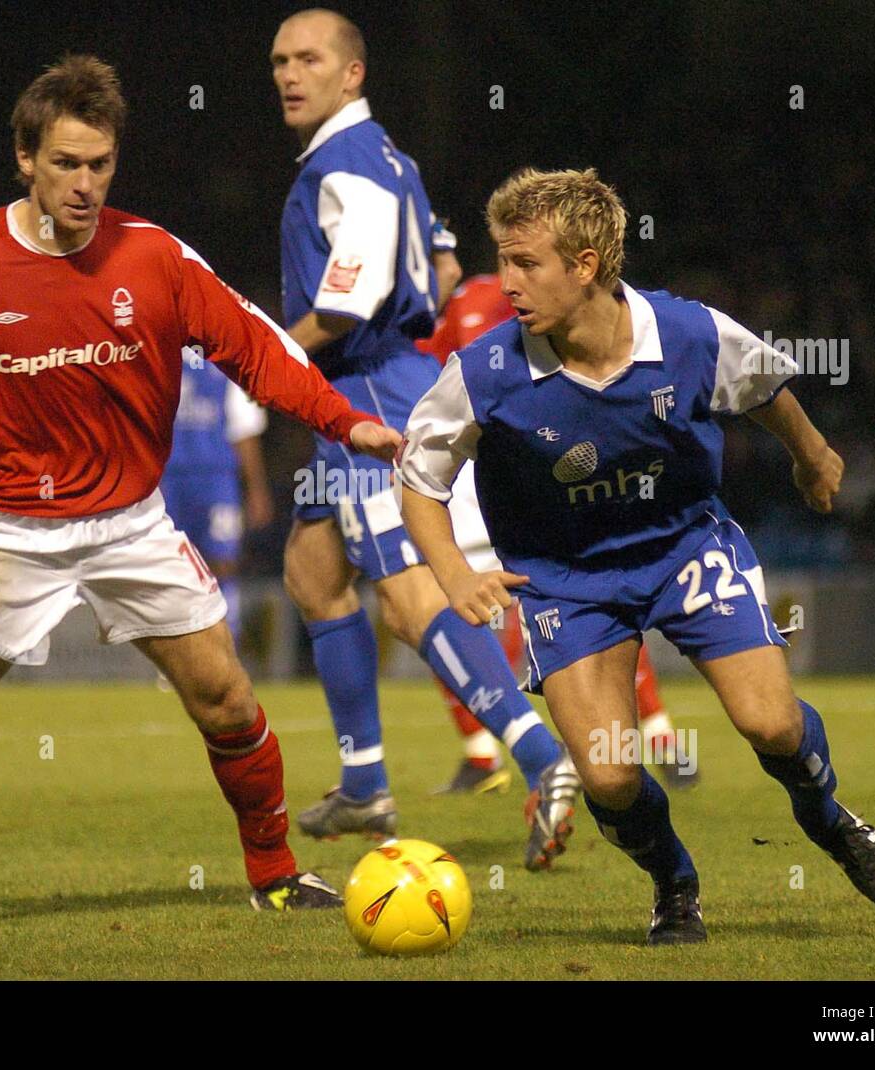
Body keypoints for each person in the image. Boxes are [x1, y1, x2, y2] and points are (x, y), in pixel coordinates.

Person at [0, 54, 401, 913]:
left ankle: (274, 876)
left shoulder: (152, 257)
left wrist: (345, 420)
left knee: (226, 700)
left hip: (127, 525)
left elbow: (256, 347)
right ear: (25, 159)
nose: (83, 184)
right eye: (65, 163)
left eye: (98, 165)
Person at [398, 167, 875, 944]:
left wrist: (813, 457)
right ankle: (673, 881)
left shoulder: (690, 333)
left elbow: (765, 387)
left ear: (586, 265)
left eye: (525, 263)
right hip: (567, 581)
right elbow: (418, 480)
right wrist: (454, 575)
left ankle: (832, 821)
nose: (505, 283)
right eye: (501, 260)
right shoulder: (486, 371)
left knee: (770, 723)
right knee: (607, 774)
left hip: (684, 547)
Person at [271, 8, 580, 871]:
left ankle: (541, 757)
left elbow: (350, 299)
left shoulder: (344, 169)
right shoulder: (391, 161)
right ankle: (365, 780)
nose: (290, 75)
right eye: (280, 62)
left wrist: (263, 354)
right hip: (374, 382)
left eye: (309, 60)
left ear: (352, 73)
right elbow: (443, 266)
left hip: (364, 388)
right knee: (312, 568)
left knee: (409, 599)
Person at [420, 274, 699, 790]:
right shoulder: (458, 310)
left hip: (563, 474)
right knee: (447, 607)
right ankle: (486, 752)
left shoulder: (579, 301)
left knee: (606, 600)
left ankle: (653, 736)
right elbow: (433, 381)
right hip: (478, 481)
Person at [159, 349, 274, 639]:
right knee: (167, 566)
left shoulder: (224, 353)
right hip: (165, 477)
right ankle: (177, 646)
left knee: (222, 561)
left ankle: (227, 639)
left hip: (216, 476)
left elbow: (244, 430)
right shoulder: (155, 348)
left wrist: (256, 490)